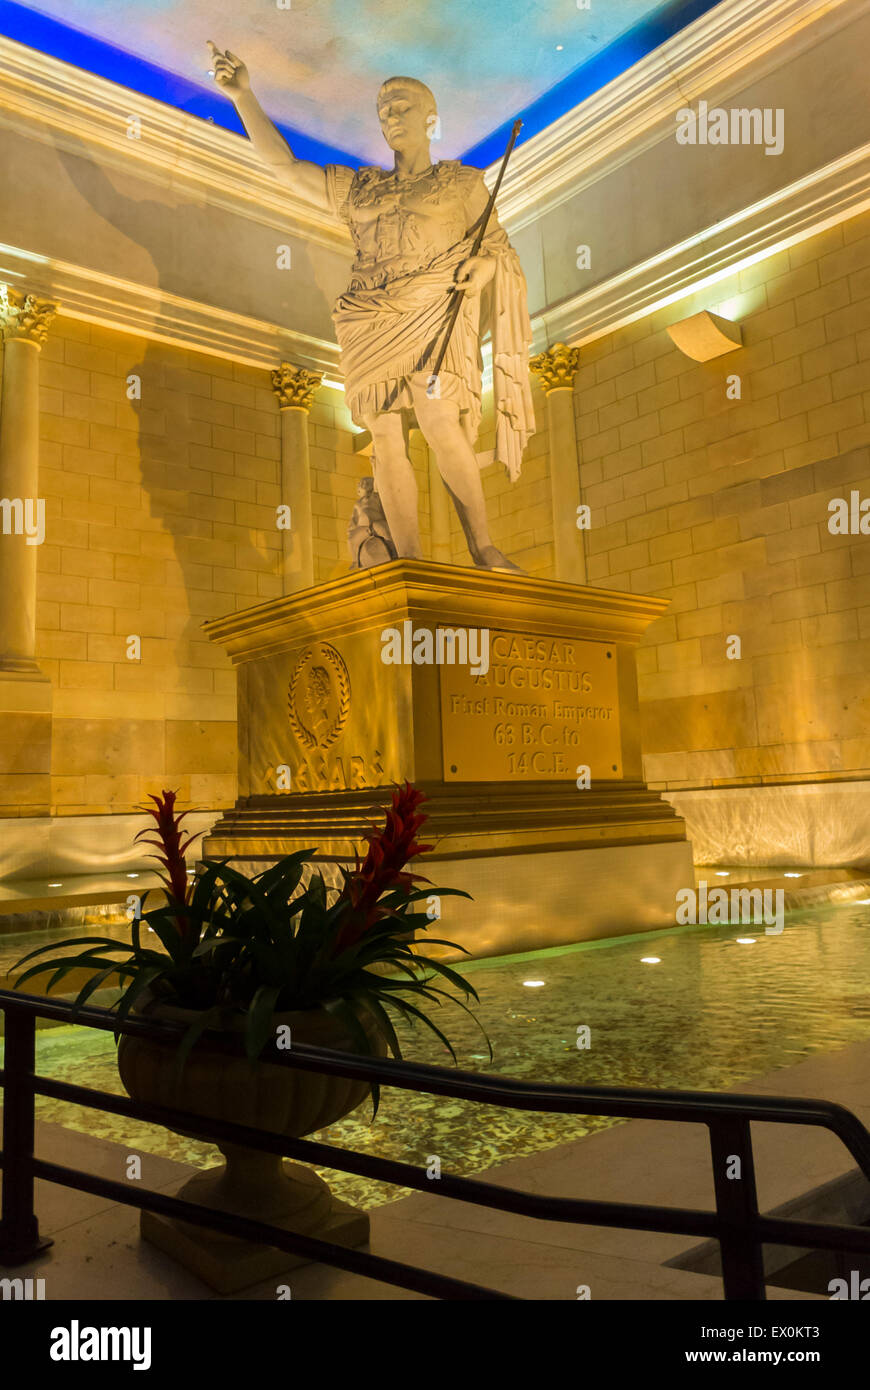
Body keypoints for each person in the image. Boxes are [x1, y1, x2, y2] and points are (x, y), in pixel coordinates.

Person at [207, 43, 535, 571]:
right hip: (367, 319)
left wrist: (488, 269)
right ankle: (410, 561)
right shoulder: (360, 189)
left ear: (432, 120)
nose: (391, 116)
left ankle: (483, 546)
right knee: (383, 432)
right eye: (384, 110)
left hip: (434, 305)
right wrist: (244, 97)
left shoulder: (464, 182)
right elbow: (287, 168)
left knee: (436, 416)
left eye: (402, 106)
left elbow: (497, 246)